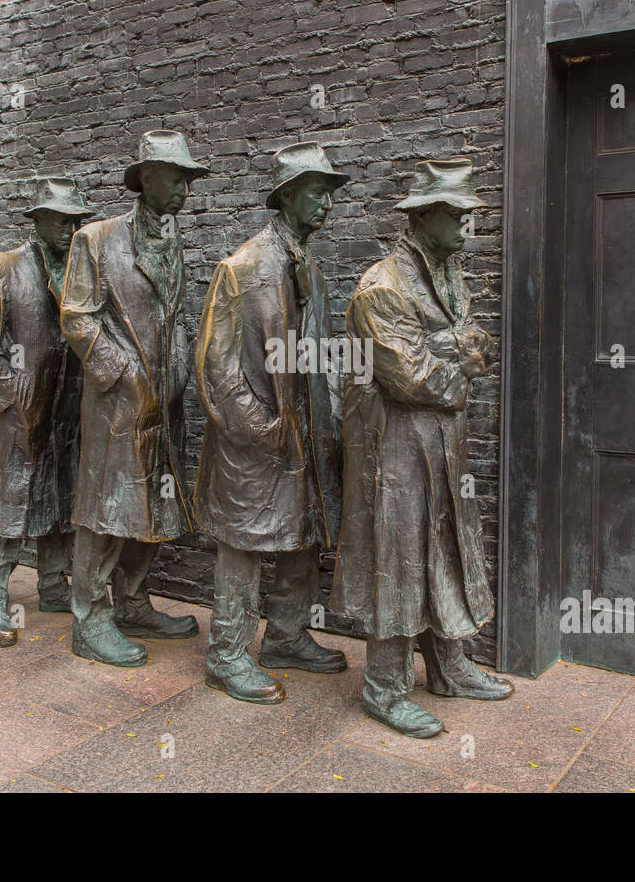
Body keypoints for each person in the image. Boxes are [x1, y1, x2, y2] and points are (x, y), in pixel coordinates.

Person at [333, 158, 513, 738]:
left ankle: (449, 665)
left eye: (467, 215)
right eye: (457, 215)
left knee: (448, 547)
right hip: (397, 449)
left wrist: (452, 347)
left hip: (443, 442)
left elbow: (481, 349)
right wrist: (453, 355)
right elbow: (412, 378)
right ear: (426, 216)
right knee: (400, 557)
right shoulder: (381, 285)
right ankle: (385, 688)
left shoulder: (450, 274)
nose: (467, 226)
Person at [194, 142, 350, 704]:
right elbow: (216, 366)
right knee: (244, 543)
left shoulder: (308, 265)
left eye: (331, 193)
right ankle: (227, 655)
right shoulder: (242, 269)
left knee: (302, 536)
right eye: (317, 191)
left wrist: (326, 416)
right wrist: (260, 427)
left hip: (306, 433)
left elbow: (322, 350)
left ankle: (286, 636)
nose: (327, 203)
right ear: (287, 196)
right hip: (256, 441)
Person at [59, 131, 206, 667]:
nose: (185, 190)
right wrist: (121, 372)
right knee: (104, 508)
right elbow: (77, 316)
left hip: (164, 404)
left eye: (189, 179)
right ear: (145, 178)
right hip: (117, 404)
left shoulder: (174, 240)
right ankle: (90, 619)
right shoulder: (96, 240)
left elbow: (177, 314)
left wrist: (182, 366)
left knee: (157, 505)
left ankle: (134, 601)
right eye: (176, 177)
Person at [0, 178, 92, 646]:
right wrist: (10, 400)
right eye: (61, 220)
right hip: (18, 413)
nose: (70, 228)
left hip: (68, 408)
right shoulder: (3, 268)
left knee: (61, 498)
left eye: (75, 220)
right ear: (38, 220)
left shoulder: (80, 271)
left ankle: (52, 584)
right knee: (11, 503)